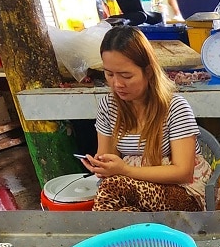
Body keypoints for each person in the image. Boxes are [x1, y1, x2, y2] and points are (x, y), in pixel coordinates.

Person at [83, 26, 212, 212]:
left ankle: (110, 240)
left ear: (149, 71)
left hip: (181, 191)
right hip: (131, 187)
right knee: (125, 212)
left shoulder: (175, 107)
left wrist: (125, 171)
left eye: (126, 75)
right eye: (109, 74)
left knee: (111, 188)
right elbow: (108, 160)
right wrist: (101, 166)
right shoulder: (108, 106)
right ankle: (137, 241)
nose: (117, 84)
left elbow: (183, 173)